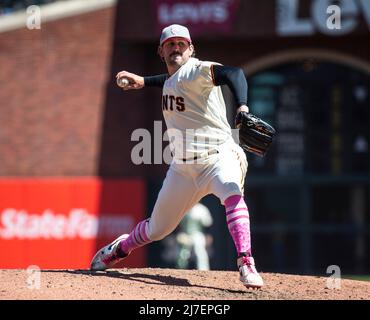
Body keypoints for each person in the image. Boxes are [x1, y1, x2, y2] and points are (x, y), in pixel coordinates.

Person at [90, 24, 264, 288]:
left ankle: (245, 262)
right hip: (183, 168)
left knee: (232, 194)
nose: (176, 48)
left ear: (191, 49)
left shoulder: (199, 69)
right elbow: (171, 81)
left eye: (182, 43)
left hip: (219, 156)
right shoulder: (174, 78)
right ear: (161, 51)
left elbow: (234, 73)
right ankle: (120, 248)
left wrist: (242, 105)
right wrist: (144, 81)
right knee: (157, 229)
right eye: (170, 44)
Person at [176, 203, 213, 271]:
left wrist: (208, 236)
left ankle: (203, 271)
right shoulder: (182, 208)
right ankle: (180, 271)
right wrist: (178, 234)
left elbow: (208, 225)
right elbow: (177, 225)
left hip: (197, 234)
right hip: (185, 233)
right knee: (182, 253)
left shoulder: (201, 209)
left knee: (199, 250)